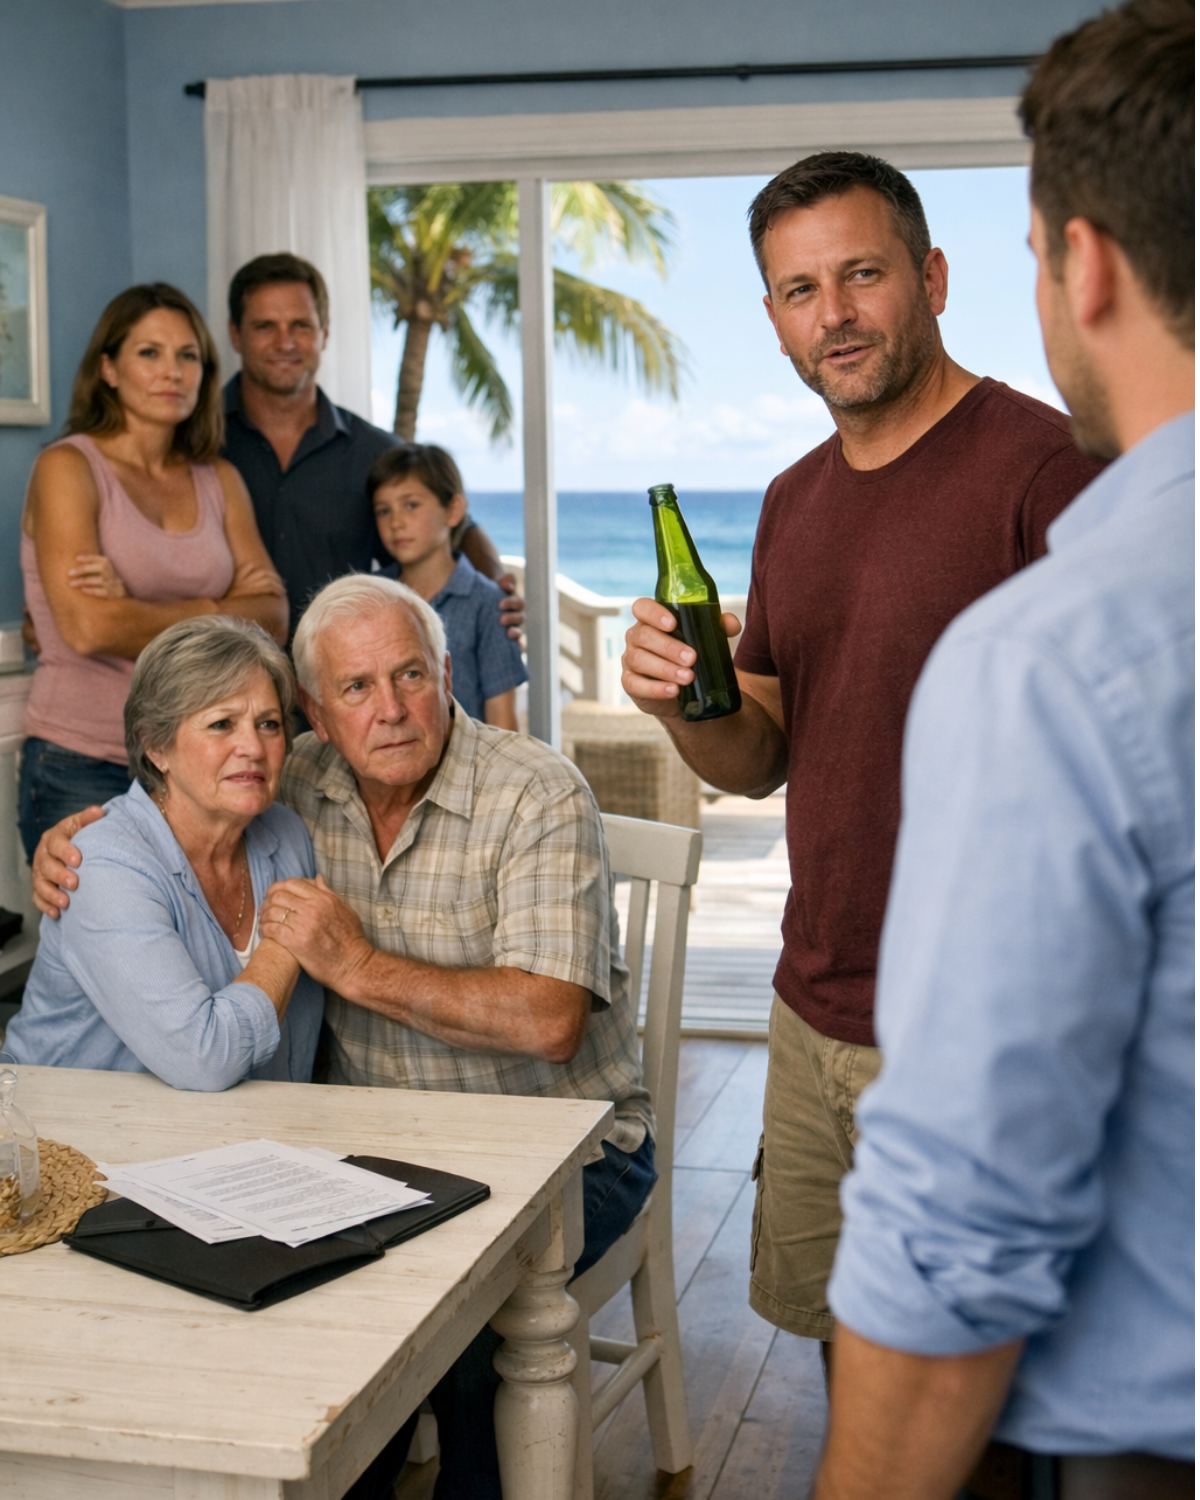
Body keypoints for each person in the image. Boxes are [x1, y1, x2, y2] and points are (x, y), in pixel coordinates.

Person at [620, 153, 1105, 1365]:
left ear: (931, 277)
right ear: (774, 318)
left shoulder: (1050, 472)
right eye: (797, 290)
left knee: (988, 1394)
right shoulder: (791, 502)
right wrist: (685, 704)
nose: (831, 314)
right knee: (847, 1358)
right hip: (815, 1001)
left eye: (861, 275)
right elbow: (762, 756)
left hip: (981, 1029)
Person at [33, 572, 653, 1499]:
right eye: (356, 689)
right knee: (330, 1322)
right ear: (321, 714)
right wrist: (68, 842)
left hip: (561, 1148)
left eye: (411, 675)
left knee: (473, 1330)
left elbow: (550, 1023)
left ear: (448, 674)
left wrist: (354, 964)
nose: (393, 710)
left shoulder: (534, 793)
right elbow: (162, 821)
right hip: (356, 1158)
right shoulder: (291, 793)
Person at [813, 4, 1194, 1498]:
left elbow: (962, 1229)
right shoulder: (792, 500)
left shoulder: (1064, 651)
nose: (832, 310)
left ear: (1076, 263)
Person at [17, 282, 288, 859]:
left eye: (188, 356)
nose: (173, 371)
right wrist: (218, 611)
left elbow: (274, 616)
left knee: (211, 942)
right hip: (82, 758)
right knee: (104, 945)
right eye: (150, 353)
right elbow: (88, 628)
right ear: (109, 368)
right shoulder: (66, 467)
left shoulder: (219, 478)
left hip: (197, 765)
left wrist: (131, 605)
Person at [7, 616, 322, 1087]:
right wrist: (286, 942)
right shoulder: (101, 865)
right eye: (221, 724)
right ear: (156, 745)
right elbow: (204, 1058)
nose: (253, 746)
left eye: (269, 724)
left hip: (234, 1143)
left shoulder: (285, 832)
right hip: (66, 1140)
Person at [220, 252, 523, 642]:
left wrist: (495, 587)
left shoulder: (376, 452)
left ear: (325, 332)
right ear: (235, 333)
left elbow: (457, 529)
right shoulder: (193, 443)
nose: (286, 342)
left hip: (347, 690)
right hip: (220, 691)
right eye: (265, 326)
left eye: (301, 325)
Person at [368, 442, 527, 729]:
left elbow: (504, 726)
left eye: (411, 505)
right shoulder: (371, 597)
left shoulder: (489, 604)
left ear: (453, 510)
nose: (395, 522)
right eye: (383, 511)